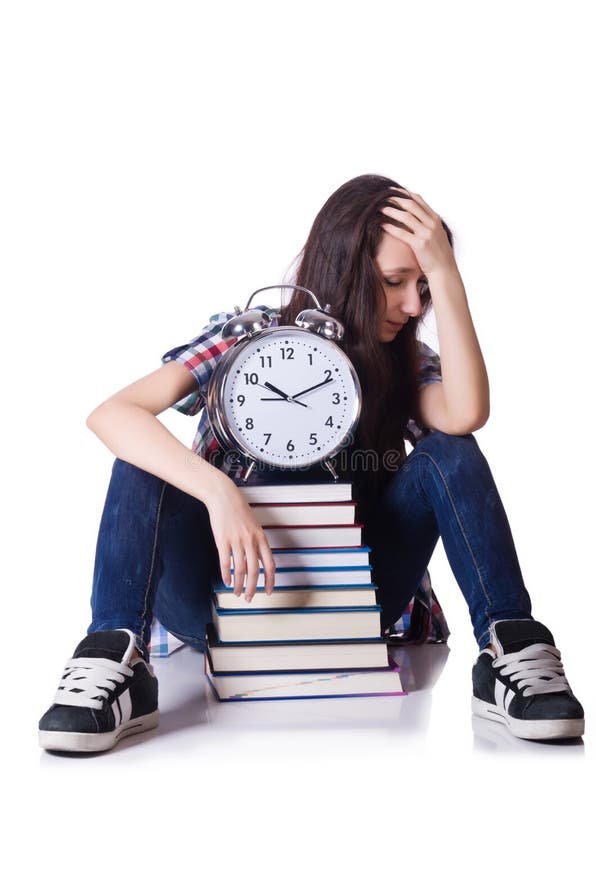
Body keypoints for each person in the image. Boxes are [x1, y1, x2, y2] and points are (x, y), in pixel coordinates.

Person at [38, 174, 584, 752]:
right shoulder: (246, 340)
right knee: (141, 457)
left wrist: (447, 274)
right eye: (396, 281)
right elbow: (113, 413)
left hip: (358, 594)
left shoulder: (403, 361)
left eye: (424, 287)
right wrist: (220, 493)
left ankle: (511, 648)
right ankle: (115, 658)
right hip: (218, 598)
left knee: (449, 451)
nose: (412, 304)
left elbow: (465, 413)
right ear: (344, 267)